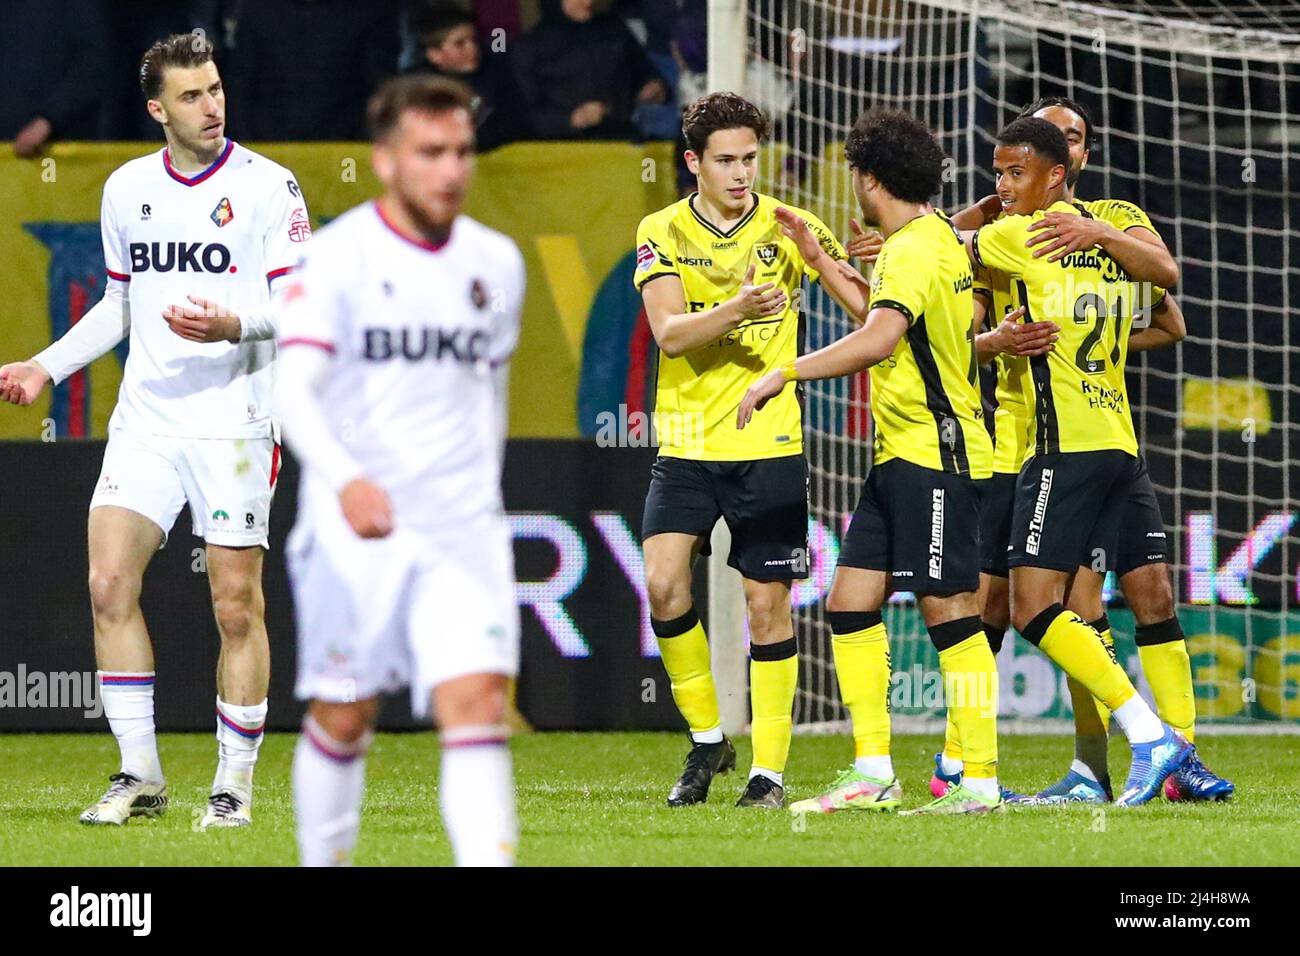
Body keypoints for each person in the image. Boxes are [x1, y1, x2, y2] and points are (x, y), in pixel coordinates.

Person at [0, 33, 309, 828]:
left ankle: (233, 786)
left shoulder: (270, 186)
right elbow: (119, 303)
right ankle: (139, 774)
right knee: (108, 585)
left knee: (235, 606)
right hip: (147, 420)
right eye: (191, 95)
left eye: (215, 90)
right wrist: (45, 366)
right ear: (157, 109)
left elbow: (303, 306)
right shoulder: (127, 187)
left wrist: (234, 325)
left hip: (235, 423)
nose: (211, 106)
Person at [931, 97, 1232, 805]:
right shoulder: (1077, 236)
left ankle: (1159, 749)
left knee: (1059, 603)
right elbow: (1166, 294)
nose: (1005, 184)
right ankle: (988, 762)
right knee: (1011, 604)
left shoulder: (1078, 227)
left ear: (1071, 164)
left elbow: (935, 245)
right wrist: (1004, 339)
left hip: (1065, 444)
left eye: (1018, 170)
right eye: (1000, 171)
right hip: (1045, 443)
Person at [278, 74, 525, 866]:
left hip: (460, 527)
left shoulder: (497, 263)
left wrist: (483, 497)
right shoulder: (336, 258)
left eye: (462, 151)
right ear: (385, 161)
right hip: (356, 528)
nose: (451, 170)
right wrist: (346, 478)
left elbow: (488, 394)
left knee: (478, 702)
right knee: (346, 714)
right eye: (430, 152)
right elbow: (293, 390)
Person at [739, 108, 1003, 815]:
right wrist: (822, 259)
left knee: (951, 611)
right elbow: (883, 319)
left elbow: (880, 340)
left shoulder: (914, 249)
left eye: (855, 171)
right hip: (899, 458)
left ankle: (979, 782)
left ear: (870, 179)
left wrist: (785, 372)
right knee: (850, 602)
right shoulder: (927, 237)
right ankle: (873, 773)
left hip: (937, 456)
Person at [634, 92, 855, 809]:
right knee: (663, 584)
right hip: (687, 442)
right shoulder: (662, 229)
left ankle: (769, 774)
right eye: (725, 161)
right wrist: (739, 309)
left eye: (750, 159)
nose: (740, 174)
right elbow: (670, 334)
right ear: (693, 162)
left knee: (766, 608)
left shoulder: (789, 225)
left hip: (770, 443)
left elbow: (868, 307)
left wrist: (828, 259)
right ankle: (707, 741)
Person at [404, 2, 525, 151]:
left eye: (474, 40)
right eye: (459, 44)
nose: (472, 48)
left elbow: (515, 122)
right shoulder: (417, 87)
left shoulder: (496, 75)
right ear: (435, 55)